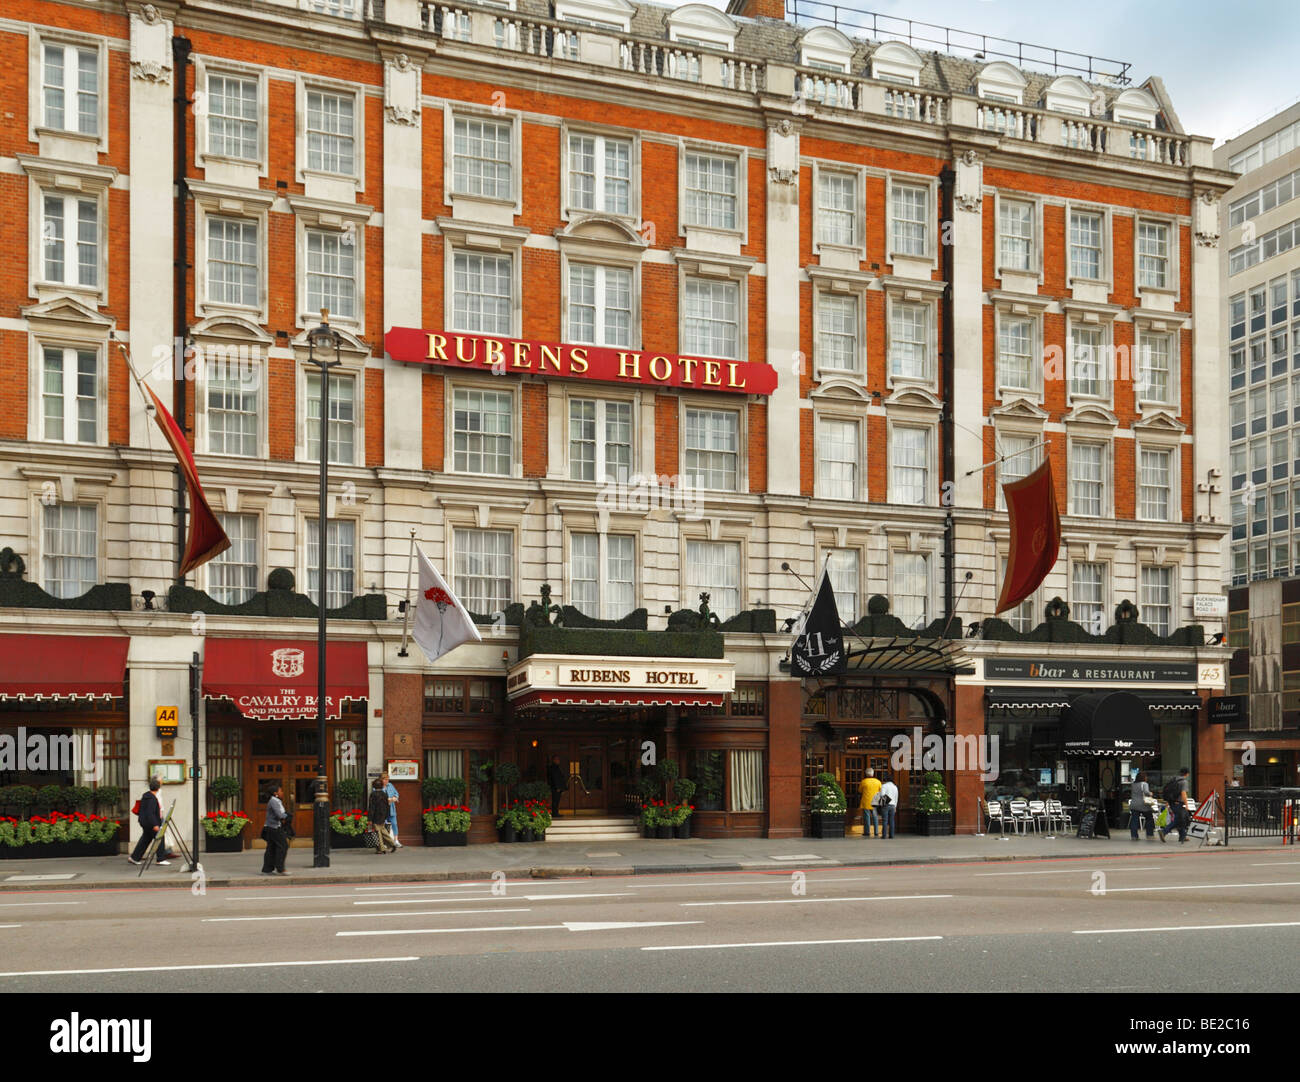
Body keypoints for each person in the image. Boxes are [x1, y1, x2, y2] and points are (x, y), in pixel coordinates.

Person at [127, 776, 172, 866]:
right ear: (158, 788)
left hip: (144, 822)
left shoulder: (146, 795)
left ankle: (134, 857)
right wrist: (155, 825)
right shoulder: (152, 799)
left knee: (145, 839)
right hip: (151, 823)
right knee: (159, 837)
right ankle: (160, 859)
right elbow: (150, 813)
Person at [261, 785, 291, 875]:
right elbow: (279, 815)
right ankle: (280, 869)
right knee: (283, 846)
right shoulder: (274, 801)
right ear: (275, 793)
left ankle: (267, 869)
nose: (282, 792)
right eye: (280, 791)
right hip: (274, 827)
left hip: (271, 827)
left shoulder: (275, 801)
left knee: (271, 848)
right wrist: (287, 816)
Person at [1159, 768, 1191, 843]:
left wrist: (1168, 802)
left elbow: (1168, 791)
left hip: (1172, 802)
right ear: (1187, 774)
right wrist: (1187, 805)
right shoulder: (1184, 782)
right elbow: (1183, 794)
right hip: (1178, 803)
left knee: (1180, 819)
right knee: (1178, 819)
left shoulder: (1174, 779)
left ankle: (1183, 836)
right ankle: (1164, 832)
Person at [368, 779, 397, 854]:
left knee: (378, 832)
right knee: (383, 830)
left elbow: (372, 807)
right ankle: (392, 844)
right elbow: (387, 806)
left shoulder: (373, 794)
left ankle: (381, 849)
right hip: (383, 815)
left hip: (376, 816)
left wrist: (370, 819)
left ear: (374, 786)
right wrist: (386, 815)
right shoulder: (384, 794)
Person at [1129, 770, 1156, 841]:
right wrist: (1151, 793)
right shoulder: (1144, 784)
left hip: (1134, 804)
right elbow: (1146, 792)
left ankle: (1134, 836)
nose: (1146, 778)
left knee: (1134, 820)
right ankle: (1150, 835)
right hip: (1143, 804)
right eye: (1146, 776)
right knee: (1149, 818)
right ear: (1144, 777)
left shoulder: (1133, 784)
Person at [858, 769, 882, 838]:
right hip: (875, 801)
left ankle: (867, 832)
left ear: (866, 774)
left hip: (866, 801)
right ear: (873, 774)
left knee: (867, 817)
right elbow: (881, 791)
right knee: (875, 817)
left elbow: (860, 790)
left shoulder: (864, 781)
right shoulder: (878, 782)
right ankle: (876, 832)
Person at [382, 772, 401, 848]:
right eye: (385, 779)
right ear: (382, 779)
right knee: (383, 826)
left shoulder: (390, 785)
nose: (387, 781)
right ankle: (384, 842)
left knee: (394, 824)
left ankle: (396, 840)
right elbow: (377, 797)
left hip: (391, 809)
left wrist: (394, 798)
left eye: (388, 779)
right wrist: (387, 799)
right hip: (383, 810)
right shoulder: (377, 786)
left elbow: (396, 793)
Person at [877, 773, 899, 839]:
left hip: (886, 805)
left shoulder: (884, 786)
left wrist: (885, 801)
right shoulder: (895, 787)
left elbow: (882, 795)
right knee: (892, 820)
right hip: (893, 805)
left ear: (886, 779)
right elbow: (896, 797)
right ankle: (891, 835)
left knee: (885, 820)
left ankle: (884, 835)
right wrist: (895, 806)